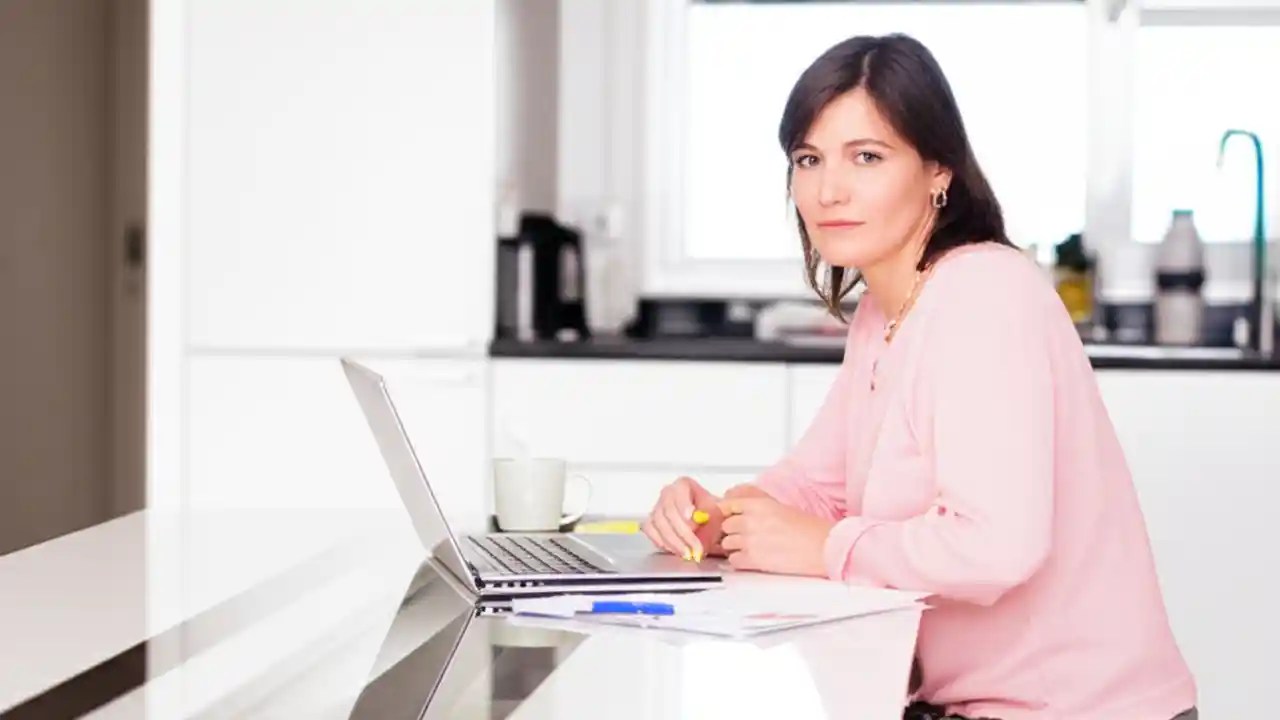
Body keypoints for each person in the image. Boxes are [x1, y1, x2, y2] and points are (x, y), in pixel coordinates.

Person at [641, 33, 1197, 720]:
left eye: (866, 157)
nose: (829, 189)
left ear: (938, 171)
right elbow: (821, 484)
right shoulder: (886, 310)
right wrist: (722, 515)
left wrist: (824, 547)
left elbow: (995, 547)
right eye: (808, 159)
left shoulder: (984, 294)